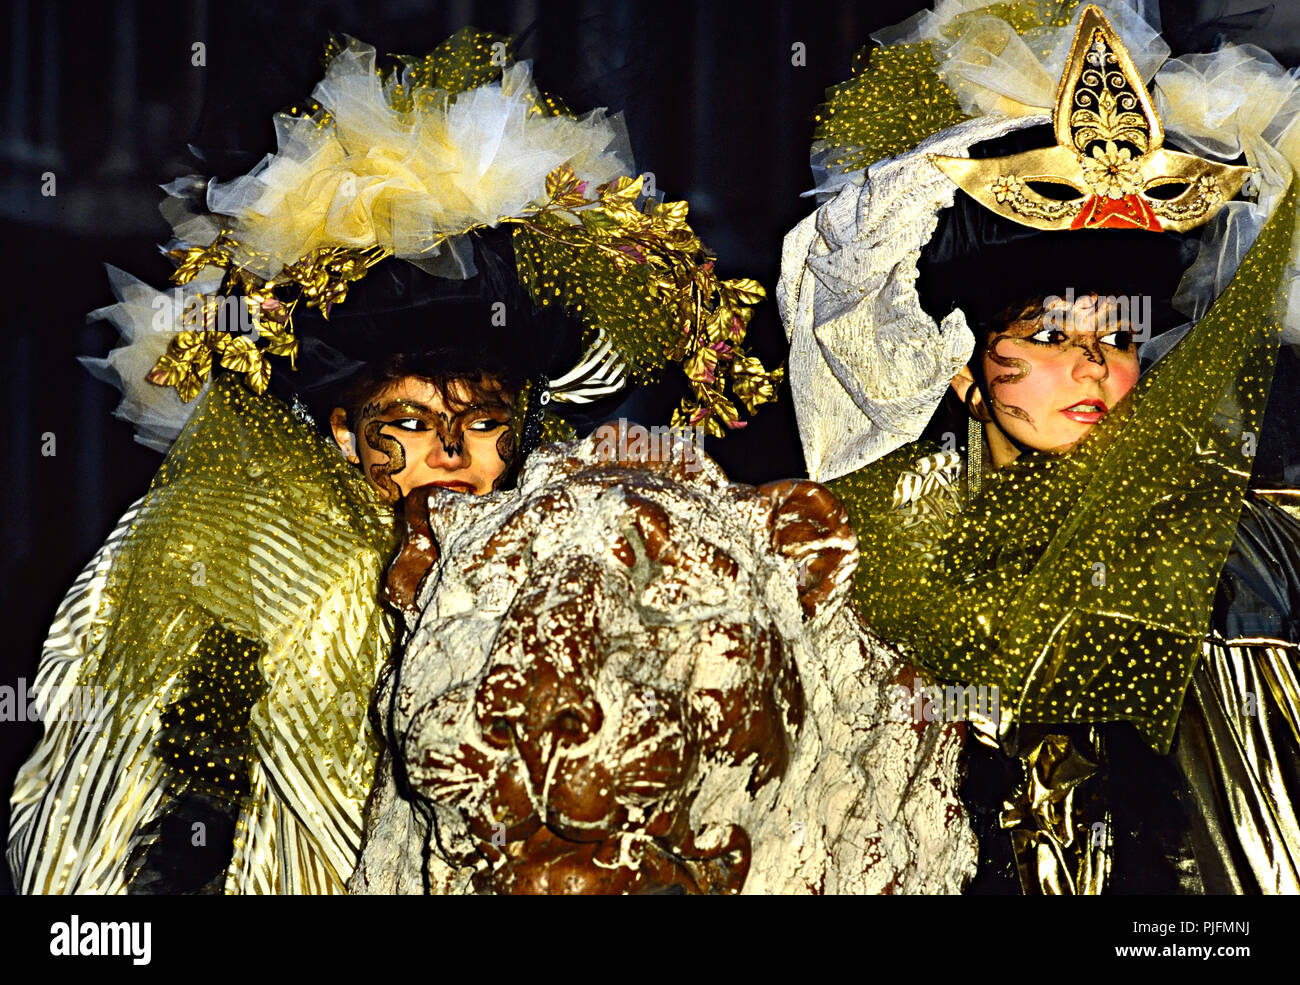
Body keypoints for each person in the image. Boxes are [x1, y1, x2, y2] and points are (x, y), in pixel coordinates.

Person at [8, 28, 778, 895]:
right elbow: (131, 839)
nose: (450, 451)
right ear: (342, 431)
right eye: (407, 422)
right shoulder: (259, 563)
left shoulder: (570, 562)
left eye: (483, 419)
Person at [779, 1, 1300, 892]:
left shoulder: (1234, 554)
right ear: (962, 370)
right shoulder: (884, 543)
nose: (1095, 364)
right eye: (1054, 336)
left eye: (1121, 336)